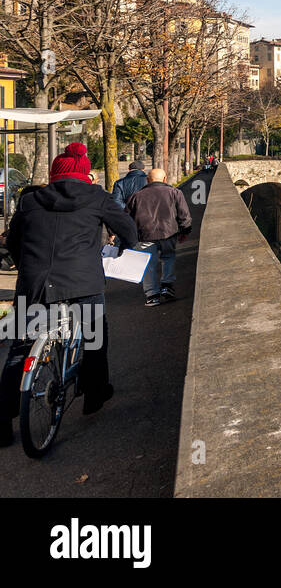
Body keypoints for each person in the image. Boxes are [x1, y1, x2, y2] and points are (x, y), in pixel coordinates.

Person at [1, 143, 139, 445]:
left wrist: (24, 263)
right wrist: (123, 249)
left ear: (54, 174)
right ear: (83, 173)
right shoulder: (97, 198)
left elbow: (13, 242)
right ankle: (94, 394)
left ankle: (2, 422)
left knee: (18, 349)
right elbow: (128, 229)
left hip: (34, 283)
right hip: (83, 282)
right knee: (94, 338)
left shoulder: (30, 200)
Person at [126, 169, 192, 307]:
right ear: (165, 179)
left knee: (148, 264)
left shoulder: (136, 196)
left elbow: (126, 218)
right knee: (168, 257)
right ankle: (167, 285)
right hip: (169, 233)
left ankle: (152, 295)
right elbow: (184, 214)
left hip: (144, 234)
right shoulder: (175, 193)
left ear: (147, 180)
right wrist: (185, 230)